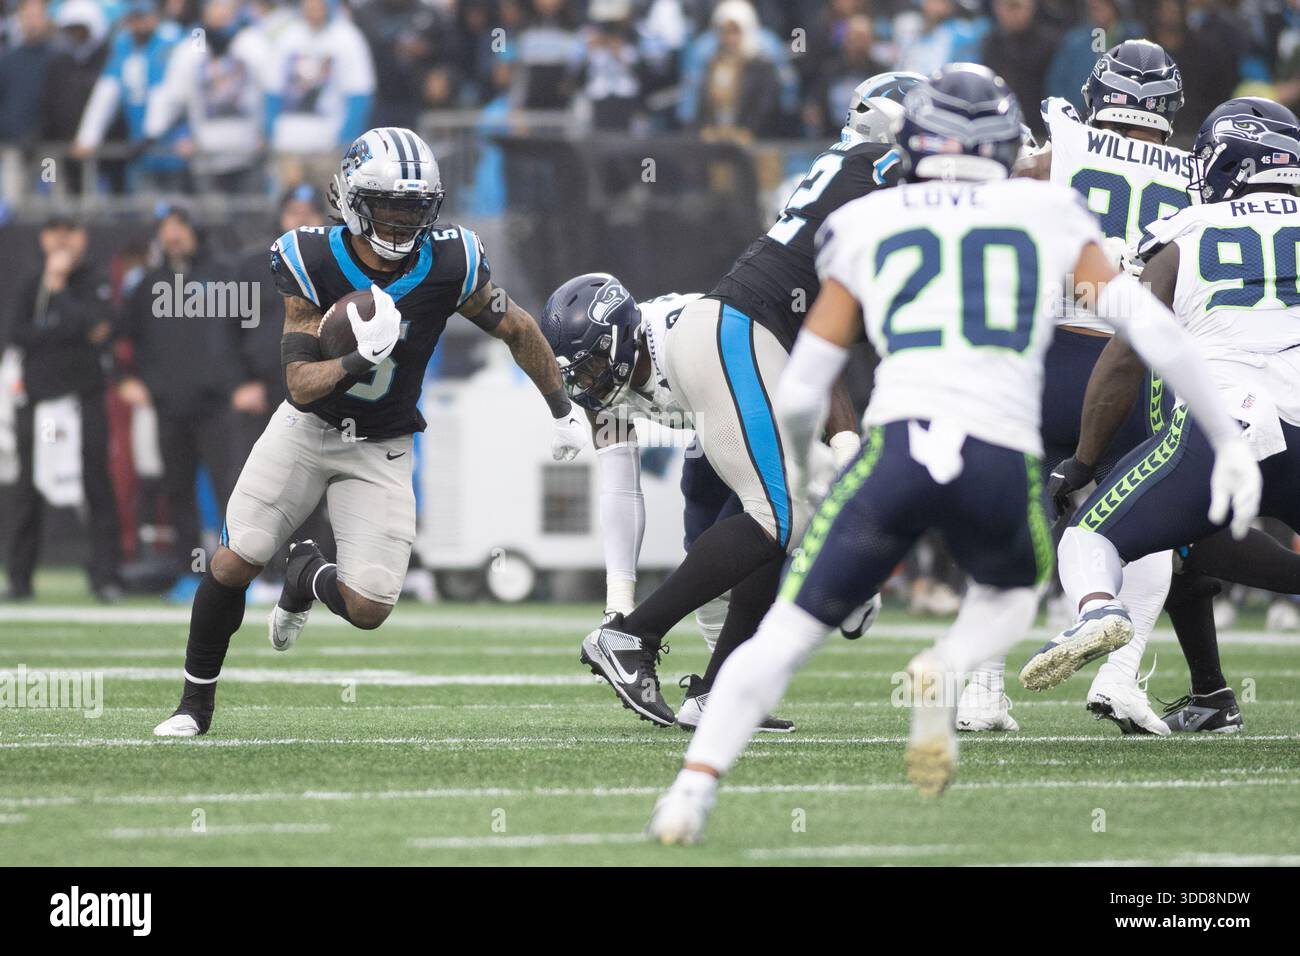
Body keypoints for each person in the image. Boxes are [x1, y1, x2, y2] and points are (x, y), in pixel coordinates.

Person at [646, 64, 1255, 845]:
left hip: (898, 448)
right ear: (1004, 144)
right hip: (999, 458)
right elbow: (1153, 332)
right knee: (1010, 594)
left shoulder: (867, 223)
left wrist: (810, 473)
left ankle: (691, 794)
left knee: (785, 636)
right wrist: (1226, 440)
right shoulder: (1048, 212)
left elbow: (804, 390)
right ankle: (953, 661)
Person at [153, 126, 585, 737]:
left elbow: (515, 327)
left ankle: (305, 573)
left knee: (370, 607)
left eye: (414, 207)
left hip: (382, 445)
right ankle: (194, 707)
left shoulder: (452, 261)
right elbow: (301, 384)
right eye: (387, 204)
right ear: (354, 200)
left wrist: (561, 407)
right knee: (234, 560)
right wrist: (358, 359)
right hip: (307, 428)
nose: (402, 219)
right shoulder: (310, 256)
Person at [577, 72, 920, 727]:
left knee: (782, 520)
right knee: (776, 513)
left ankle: (717, 690)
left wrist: (843, 439)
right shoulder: (879, 165)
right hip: (734, 333)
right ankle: (631, 638)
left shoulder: (853, 178)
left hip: (751, 342)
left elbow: (826, 330)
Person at [1033, 97, 1300, 732]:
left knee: (1092, 538)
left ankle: (1099, 612)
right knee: (1194, 548)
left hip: (1228, 421)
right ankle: (1207, 694)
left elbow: (1128, 353)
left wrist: (1084, 461)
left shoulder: (1186, 232)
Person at [960, 39, 1192, 735]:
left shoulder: (1063, 145)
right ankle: (1120, 681)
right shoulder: (1195, 174)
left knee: (1008, 513)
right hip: (1134, 366)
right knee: (1145, 526)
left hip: (1046, 350)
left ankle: (981, 690)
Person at [4, 215, 121, 603]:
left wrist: (58, 294)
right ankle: (20, 578)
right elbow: (20, 334)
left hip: (82, 398)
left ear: (82, 237)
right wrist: (59, 317)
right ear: (42, 238)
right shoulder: (28, 281)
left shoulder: (93, 279)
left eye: (69, 233)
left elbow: (95, 327)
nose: (62, 242)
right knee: (28, 488)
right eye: (54, 233)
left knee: (95, 484)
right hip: (38, 403)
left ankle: (105, 577)